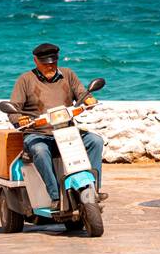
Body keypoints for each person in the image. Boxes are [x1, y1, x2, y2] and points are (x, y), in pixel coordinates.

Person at [9, 43, 105, 208]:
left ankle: (93, 188)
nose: (50, 66)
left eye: (53, 62)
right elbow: (13, 110)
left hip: (67, 132)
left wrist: (88, 99)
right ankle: (55, 196)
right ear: (36, 61)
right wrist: (20, 119)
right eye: (45, 63)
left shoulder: (68, 74)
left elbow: (81, 93)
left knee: (95, 141)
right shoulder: (25, 80)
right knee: (39, 150)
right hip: (38, 134)